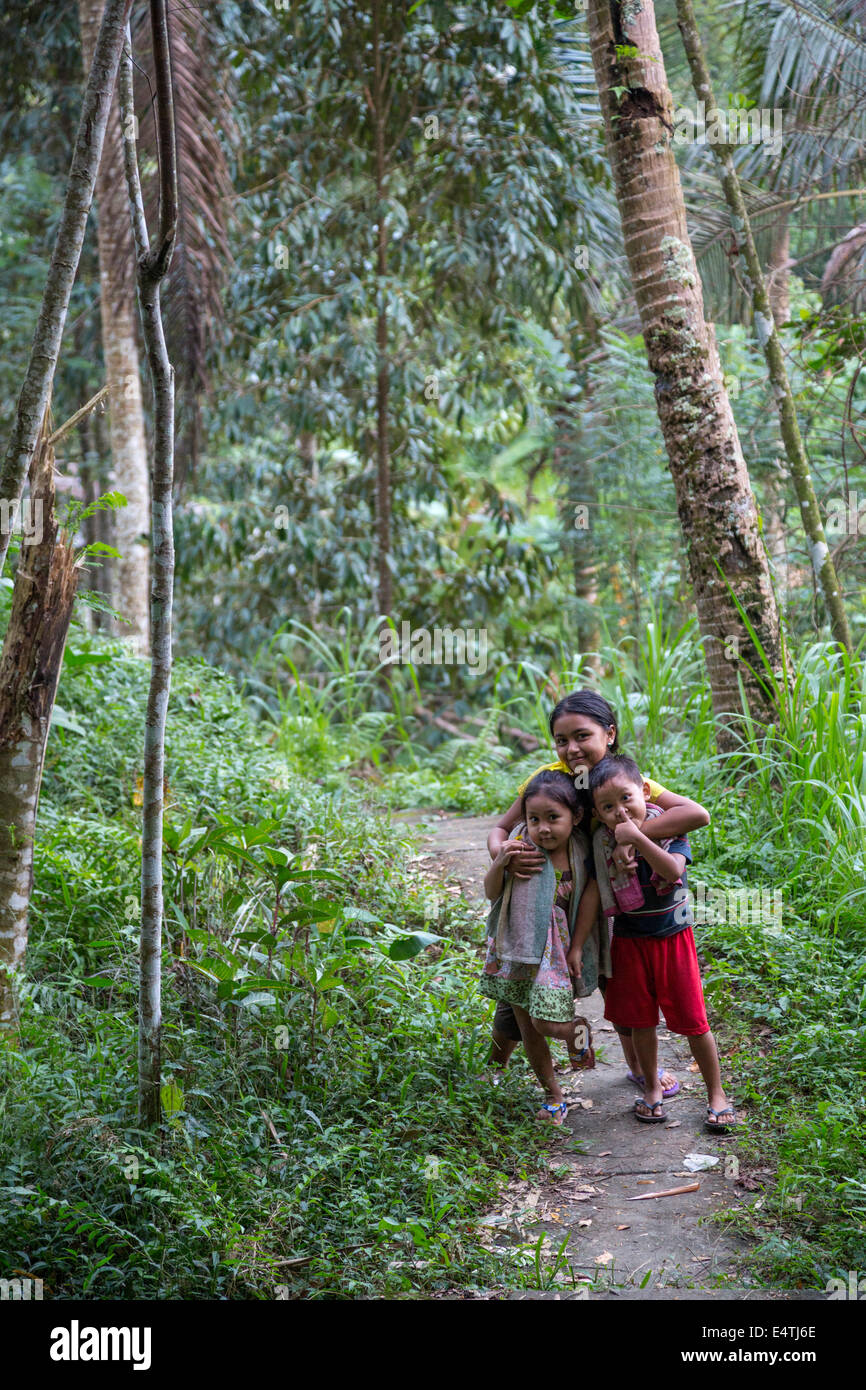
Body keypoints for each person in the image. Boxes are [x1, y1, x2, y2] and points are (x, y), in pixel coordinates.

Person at [487, 690, 710, 1097]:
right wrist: (505, 855)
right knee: (518, 990)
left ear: (609, 734)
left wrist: (631, 834)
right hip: (544, 901)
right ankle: (492, 1070)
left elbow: (694, 814)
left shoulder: (619, 780)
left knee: (613, 979)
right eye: (561, 739)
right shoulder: (549, 779)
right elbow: (500, 830)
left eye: (582, 736)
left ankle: (640, 1069)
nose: (571, 748)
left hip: (598, 899)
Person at [567, 754, 736, 1131]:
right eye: (607, 807)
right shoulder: (602, 842)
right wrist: (577, 945)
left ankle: (717, 1094)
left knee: (694, 1021)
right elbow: (594, 892)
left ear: (644, 791)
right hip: (628, 940)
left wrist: (638, 838)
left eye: (626, 799)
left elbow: (672, 870)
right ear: (596, 812)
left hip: (672, 938)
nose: (618, 812)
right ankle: (651, 1090)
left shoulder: (666, 827)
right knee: (642, 1022)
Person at [480, 771, 602, 1125]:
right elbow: (491, 892)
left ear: (575, 817)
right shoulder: (518, 847)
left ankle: (576, 1028)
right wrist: (500, 860)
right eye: (534, 819)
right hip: (518, 949)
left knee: (545, 1021)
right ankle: (554, 1095)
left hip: (558, 954)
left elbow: (591, 896)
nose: (543, 828)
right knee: (528, 1025)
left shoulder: (581, 849)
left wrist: (578, 946)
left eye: (553, 818)